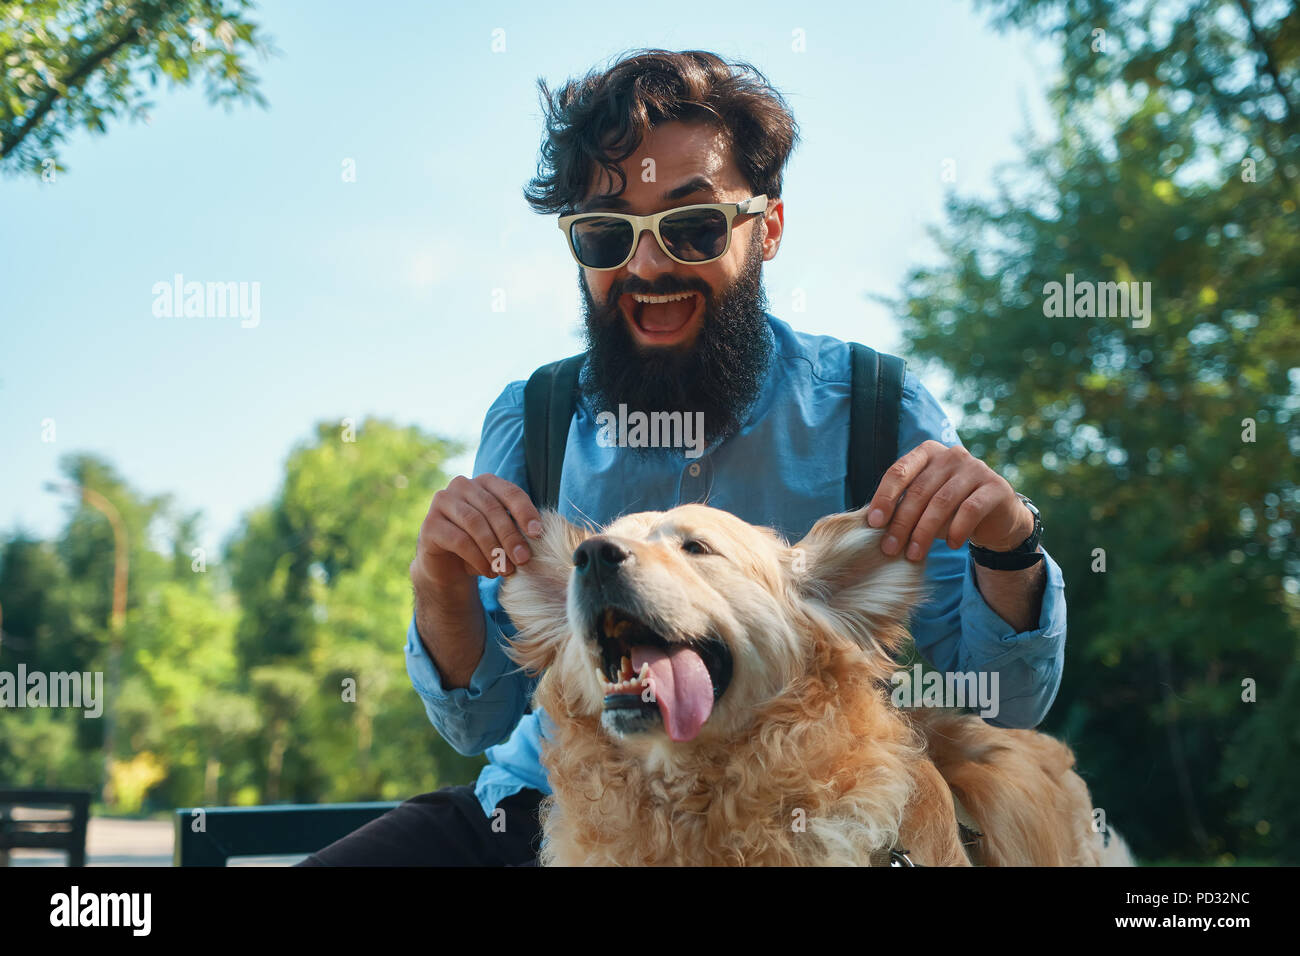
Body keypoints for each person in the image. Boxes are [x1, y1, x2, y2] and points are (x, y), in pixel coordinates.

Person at [299, 49, 1065, 867]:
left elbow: (1007, 699)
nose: (649, 266)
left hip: (805, 824)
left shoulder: (879, 408)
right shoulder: (533, 419)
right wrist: (438, 582)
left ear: (765, 229)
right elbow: (478, 723)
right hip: (554, 811)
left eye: (692, 226)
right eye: (605, 233)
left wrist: (1008, 542)